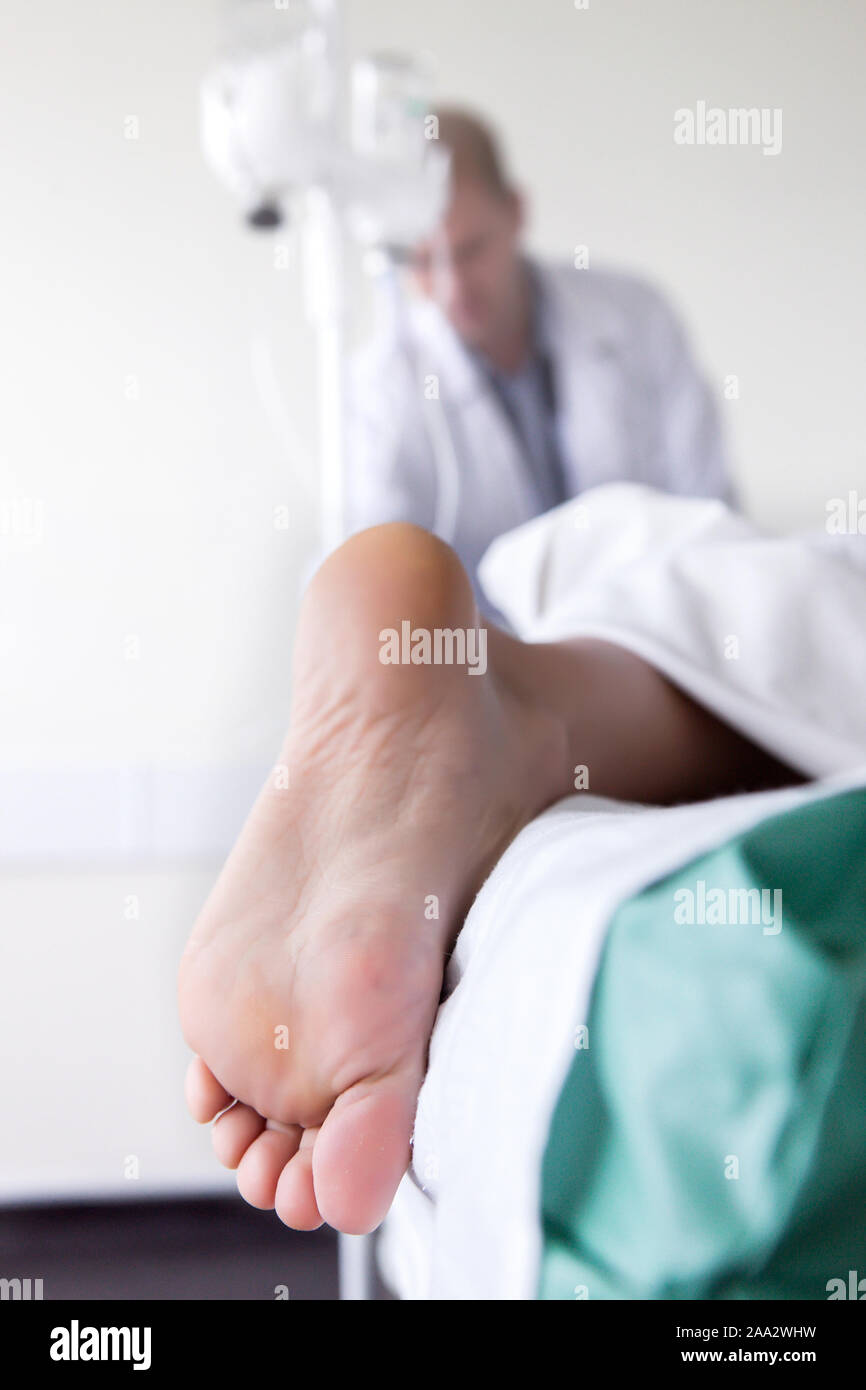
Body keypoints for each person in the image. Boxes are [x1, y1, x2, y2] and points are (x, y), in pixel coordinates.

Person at [178, 520, 796, 1237]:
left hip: (647, 588)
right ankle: (525, 727)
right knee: (818, 668)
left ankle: (534, 715)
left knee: (787, 640)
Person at [345, 108, 733, 602]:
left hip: (655, 647)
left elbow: (711, 517)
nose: (452, 287)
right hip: (485, 667)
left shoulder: (637, 318)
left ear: (516, 212)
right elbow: (378, 579)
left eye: (469, 250)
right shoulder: (381, 387)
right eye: (422, 262)